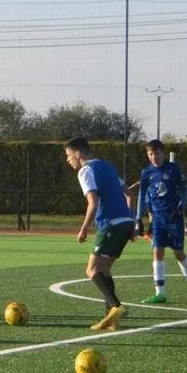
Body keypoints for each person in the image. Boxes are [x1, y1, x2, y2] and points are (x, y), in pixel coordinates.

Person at [64, 136, 135, 331]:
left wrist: (84, 228)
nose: (68, 160)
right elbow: (128, 194)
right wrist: (132, 222)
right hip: (125, 222)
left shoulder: (85, 171)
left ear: (78, 154)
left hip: (111, 224)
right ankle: (110, 319)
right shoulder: (107, 166)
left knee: (92, 270)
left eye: (69, 156)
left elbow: (93, 203)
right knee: (104, 270)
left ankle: (116, 307)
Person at [135, 140, 187, 304]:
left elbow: (184, 188)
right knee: (158, 252)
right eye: (150, 154)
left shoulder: (173, 169)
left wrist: (182, 205)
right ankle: (160, 293)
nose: (154, 157)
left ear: (163, 152)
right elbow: (142, 195)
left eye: (156, 153)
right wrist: (138, 218)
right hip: (157, 219)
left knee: (178, 253)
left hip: (174, 218)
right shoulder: (146, 172)